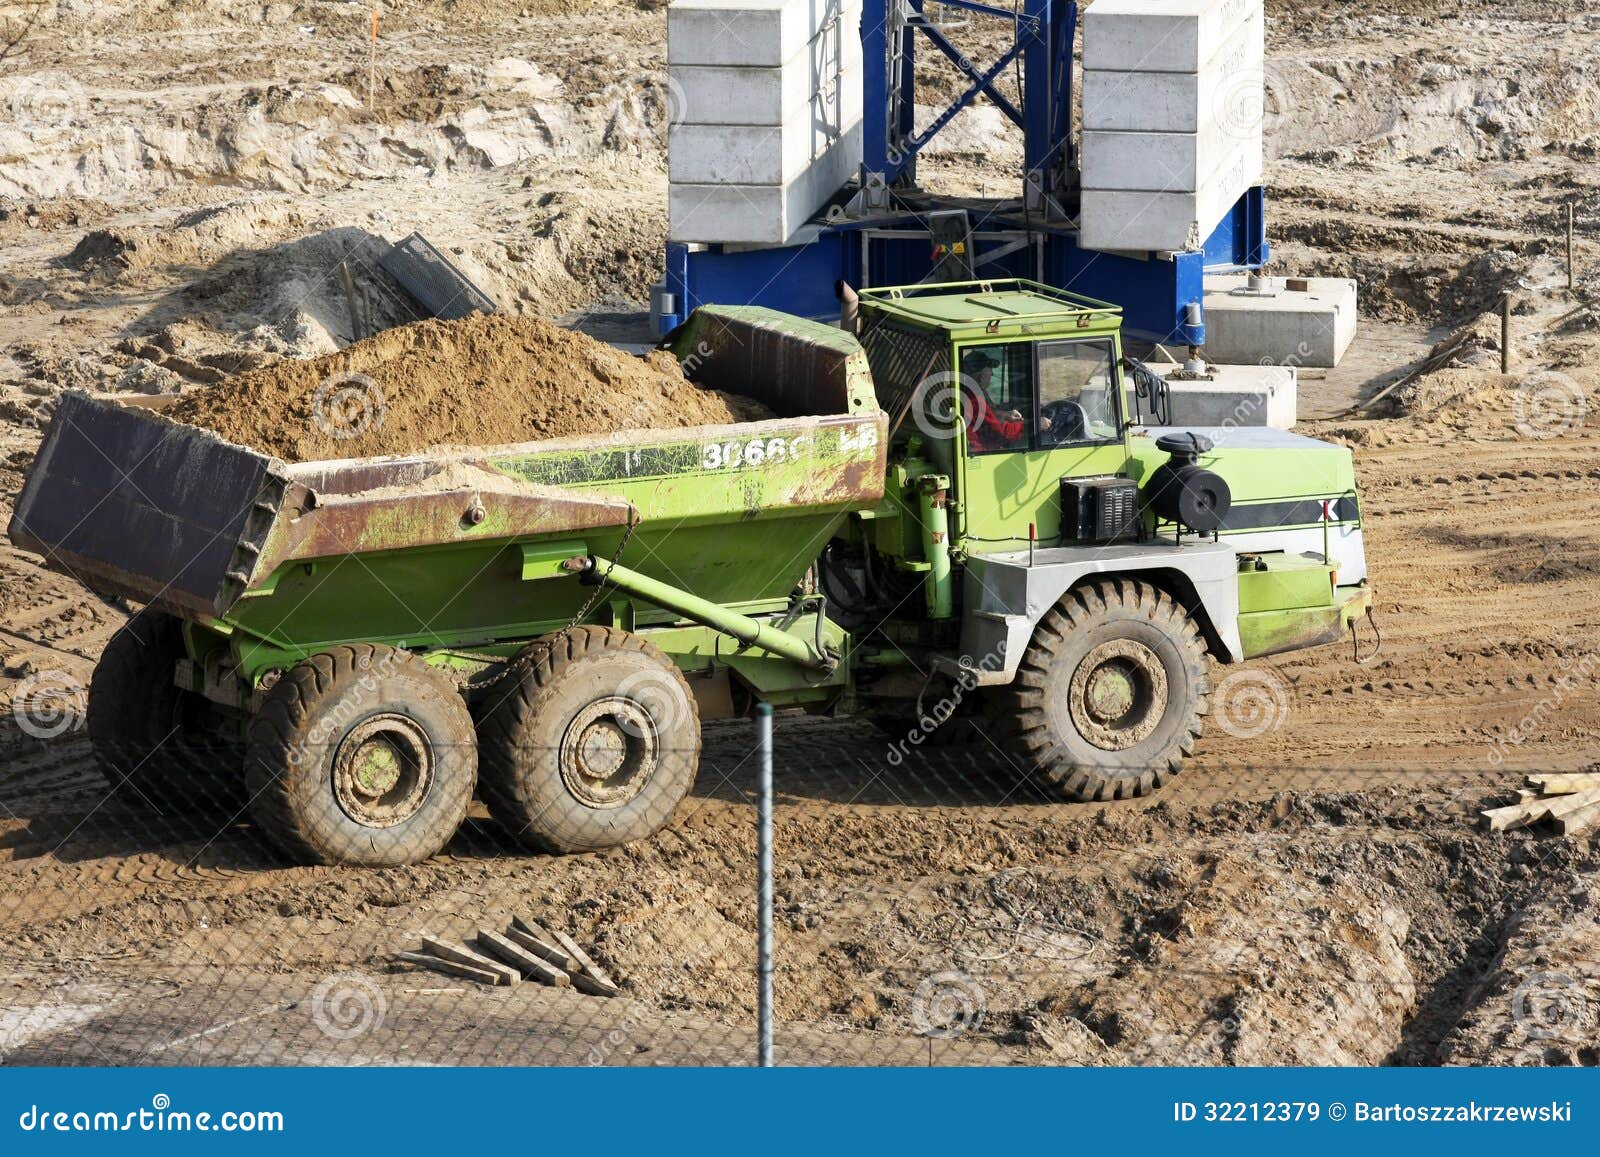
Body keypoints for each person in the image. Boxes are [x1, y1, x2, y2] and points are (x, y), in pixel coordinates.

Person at [963, 351, 1050, 452]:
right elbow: (1003, 432)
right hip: (982, 451)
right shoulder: (974, 398)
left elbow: (989, 415)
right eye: (990, 371)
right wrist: (1035, 425)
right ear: (981, 376)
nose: (992, 374)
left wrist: (1004, 415)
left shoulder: (968, 391)